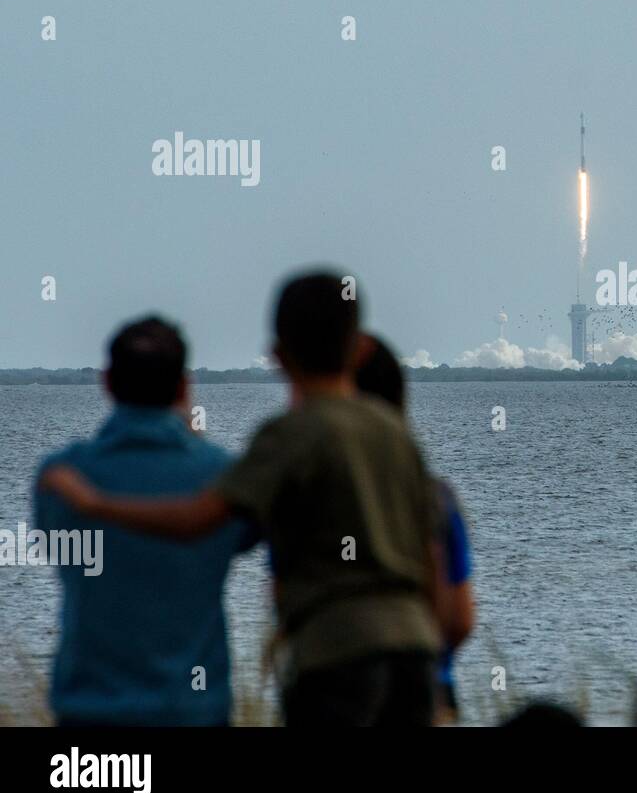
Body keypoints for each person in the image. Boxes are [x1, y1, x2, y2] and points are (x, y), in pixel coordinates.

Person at [41, 272, 444, 726]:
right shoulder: (397, 434)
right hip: (414, 650)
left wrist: (97, 505)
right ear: (360, 348)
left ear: (276, 356)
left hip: (336, 653)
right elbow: (430, 554)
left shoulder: (289, 435)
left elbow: (201, 518)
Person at [32, 317, 254, 726]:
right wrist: (191, 441)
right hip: (193, 711)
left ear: (108, 383)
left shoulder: (61, 479)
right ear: (184, 387)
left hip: (90, 714)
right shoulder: (223, 478)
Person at [354, 334, 475, 723]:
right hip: (427, 690)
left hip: (334, 694)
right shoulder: (435, 498)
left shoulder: (309, 498)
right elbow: (459, 620)